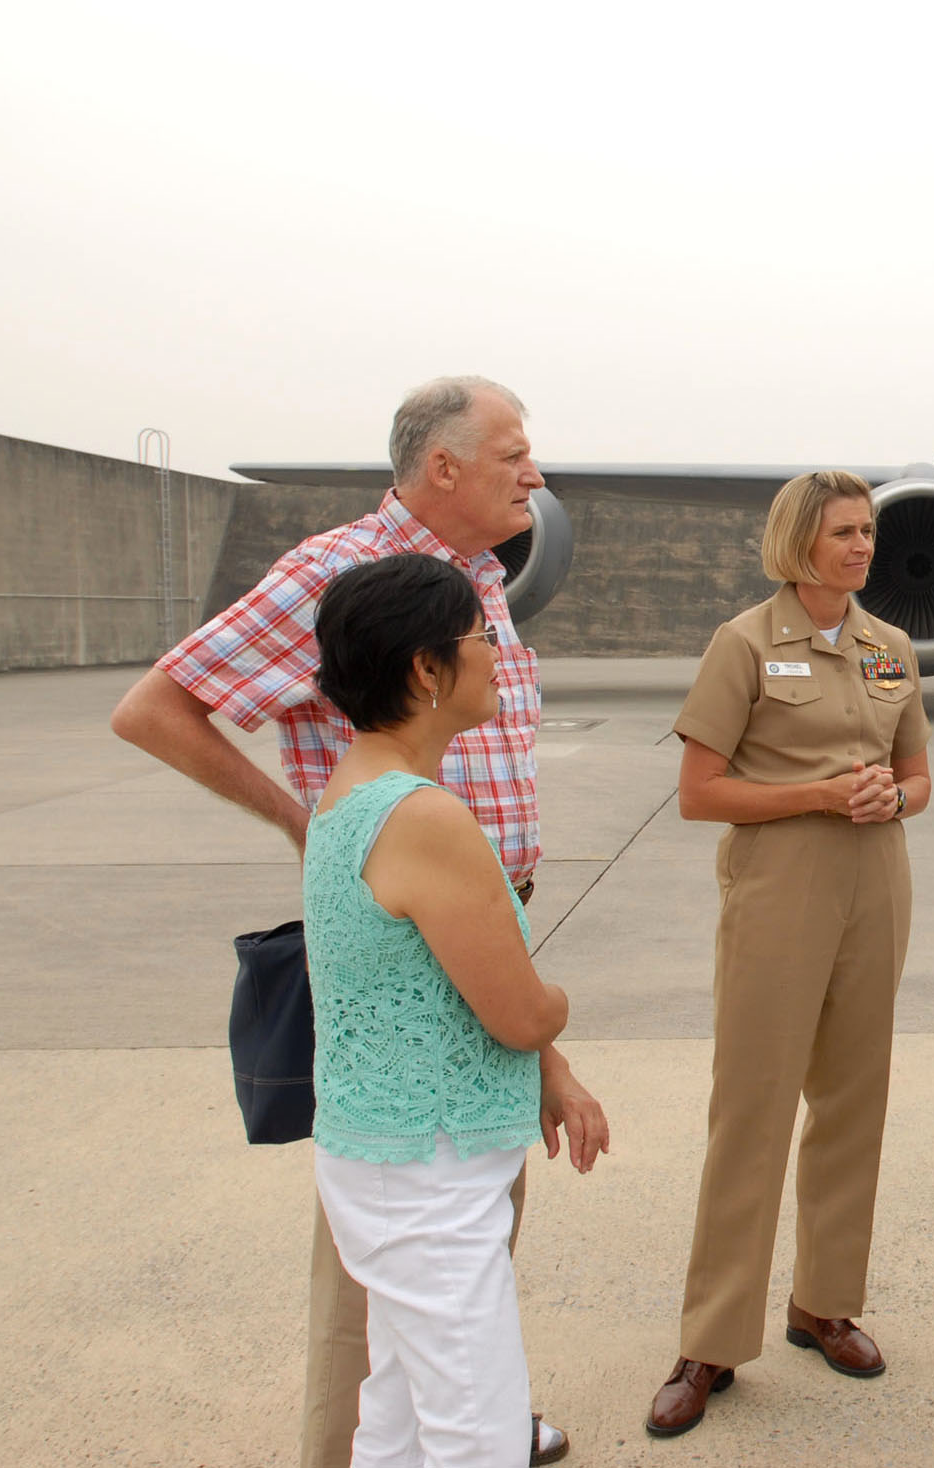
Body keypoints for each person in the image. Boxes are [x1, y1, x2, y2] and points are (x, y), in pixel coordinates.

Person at [109, 376, 604, 1468]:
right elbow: (155, 707)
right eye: (514, 454)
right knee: (383, 1265)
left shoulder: (479, 581)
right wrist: (311, 827)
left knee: (463, 1235)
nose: (535, 475)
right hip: (409, 919)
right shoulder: (335, 576)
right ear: (443, 467)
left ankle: (462, 1406)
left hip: (474, 930)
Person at [645, 470, 932, 1439]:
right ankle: (711, 1340)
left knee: (854, 1097)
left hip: (875, 881)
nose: (863, 547)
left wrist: (894, 795)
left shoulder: (889, 647)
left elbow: (919, 775)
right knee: (753, 1108)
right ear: (797, 541)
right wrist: (815, 794)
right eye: (843, 532)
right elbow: (699, 793)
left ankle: (824, 1304)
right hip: (779, 885)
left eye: (868, 531)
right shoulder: (744, 644)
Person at [306, 553, 576, 1468]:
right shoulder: (421, 817)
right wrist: (559, 1006)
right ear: (427, 669)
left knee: (399, 1419)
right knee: (477, 1432)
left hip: (388, 1160)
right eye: (482, 636)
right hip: (428, 1175)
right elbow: (522, 1014)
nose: (500, 655)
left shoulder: (351, 788)